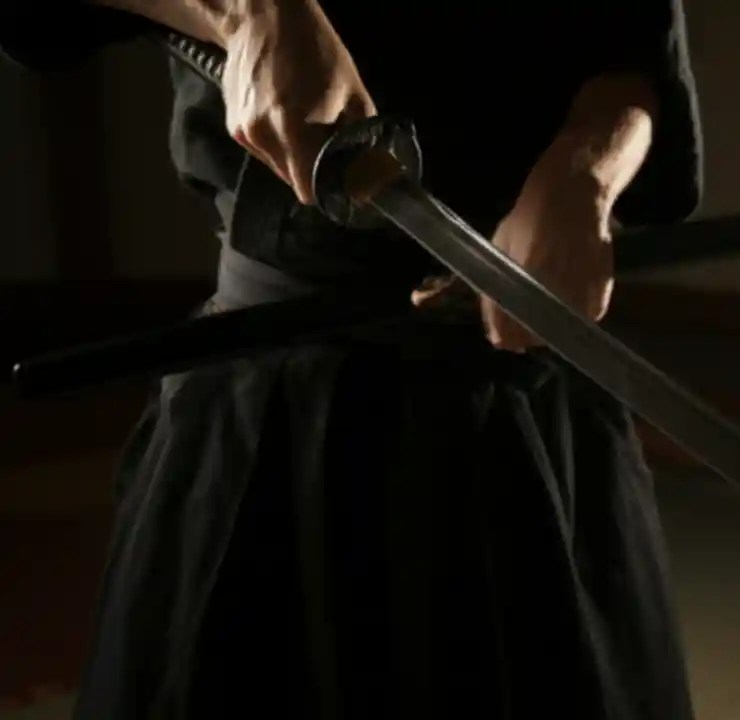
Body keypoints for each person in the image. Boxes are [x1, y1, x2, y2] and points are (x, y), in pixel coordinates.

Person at [1, 1, 704, 718]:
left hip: (522, 368)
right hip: (270, 396)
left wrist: (589, 166)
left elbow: (632, 56)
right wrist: (251, 13)